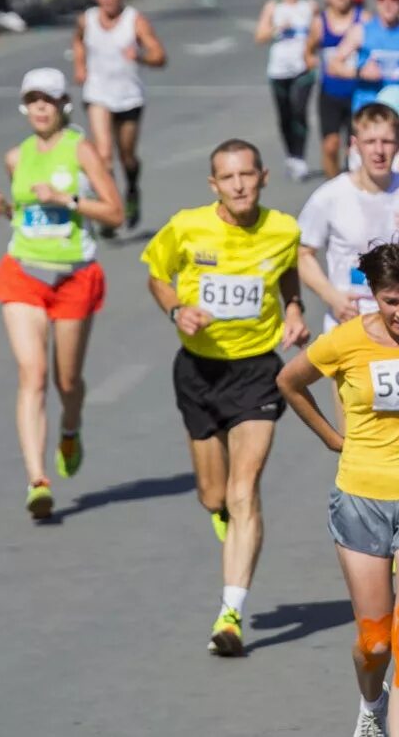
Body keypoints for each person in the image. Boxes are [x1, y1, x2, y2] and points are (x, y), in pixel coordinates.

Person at [276, 243, 399, 737]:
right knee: (376, 643)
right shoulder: (346, 340)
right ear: (373, 295)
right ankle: (371, 703)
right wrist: (331, 438)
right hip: (361, 501)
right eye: (390, 301)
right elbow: (290, 382)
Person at [140, 138, 310, 654]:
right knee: (214, 496)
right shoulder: (187, 226)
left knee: (243, 489)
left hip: (257, 372)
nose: (239, 186)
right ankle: (222, 514)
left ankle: (230, 614)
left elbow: (287, 270)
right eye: (228, 178)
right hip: (199, 371)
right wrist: (177, 310)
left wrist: (295, 309)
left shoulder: (283, 229)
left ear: (263, 177)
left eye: (247, 175)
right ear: (214, 185)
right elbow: (157, 275)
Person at [0, 68, 124, 519]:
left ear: (64, 105)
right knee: (33, 373)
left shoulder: (81, 150)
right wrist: (5, 209)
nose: (41, 108)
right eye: (33, 101)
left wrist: (67, 201)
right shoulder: (15, 157)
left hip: (73, 276)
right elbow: (25, 217)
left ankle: (70, 427)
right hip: (23, 271)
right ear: (25, 106)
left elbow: (115, 213)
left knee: (67, 382)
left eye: (49, 100)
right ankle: (37, 480)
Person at [298, 103, 399, 331]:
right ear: (355, 145)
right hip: (350, 317)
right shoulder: (330, 196)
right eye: (370, 142)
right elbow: (303, 255)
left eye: (387, 141)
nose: (379, 151)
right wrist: (332, 296)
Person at [72, 0, 167, 236]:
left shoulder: (134, 21)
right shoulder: (87, 20)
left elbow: (159, 56)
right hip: (98, 93)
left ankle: (132, 189)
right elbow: (78, 42)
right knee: (104, 155)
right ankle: (110, 209)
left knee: (127, 157)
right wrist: (80, 66)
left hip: (128, 96)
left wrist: (140, 57)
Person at [256, 0, 318, 182]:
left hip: (303, 68)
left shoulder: (309, 6)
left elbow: (319, 32)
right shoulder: (273, 6)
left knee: (300, 111)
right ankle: (291, 155)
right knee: (285, 115)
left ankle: (300, 157)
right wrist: (276, 29)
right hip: (279, 70)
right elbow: (260, 36)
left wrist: (314, 53)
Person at [307, 0, 364, 179]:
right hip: (330, 93)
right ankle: (332, 186)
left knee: (355, 149)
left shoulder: (363, 19)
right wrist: (312, 63)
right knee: (330, 145)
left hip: (358, 93)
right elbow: (309, 50)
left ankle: (356, 186)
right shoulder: (319, 23)